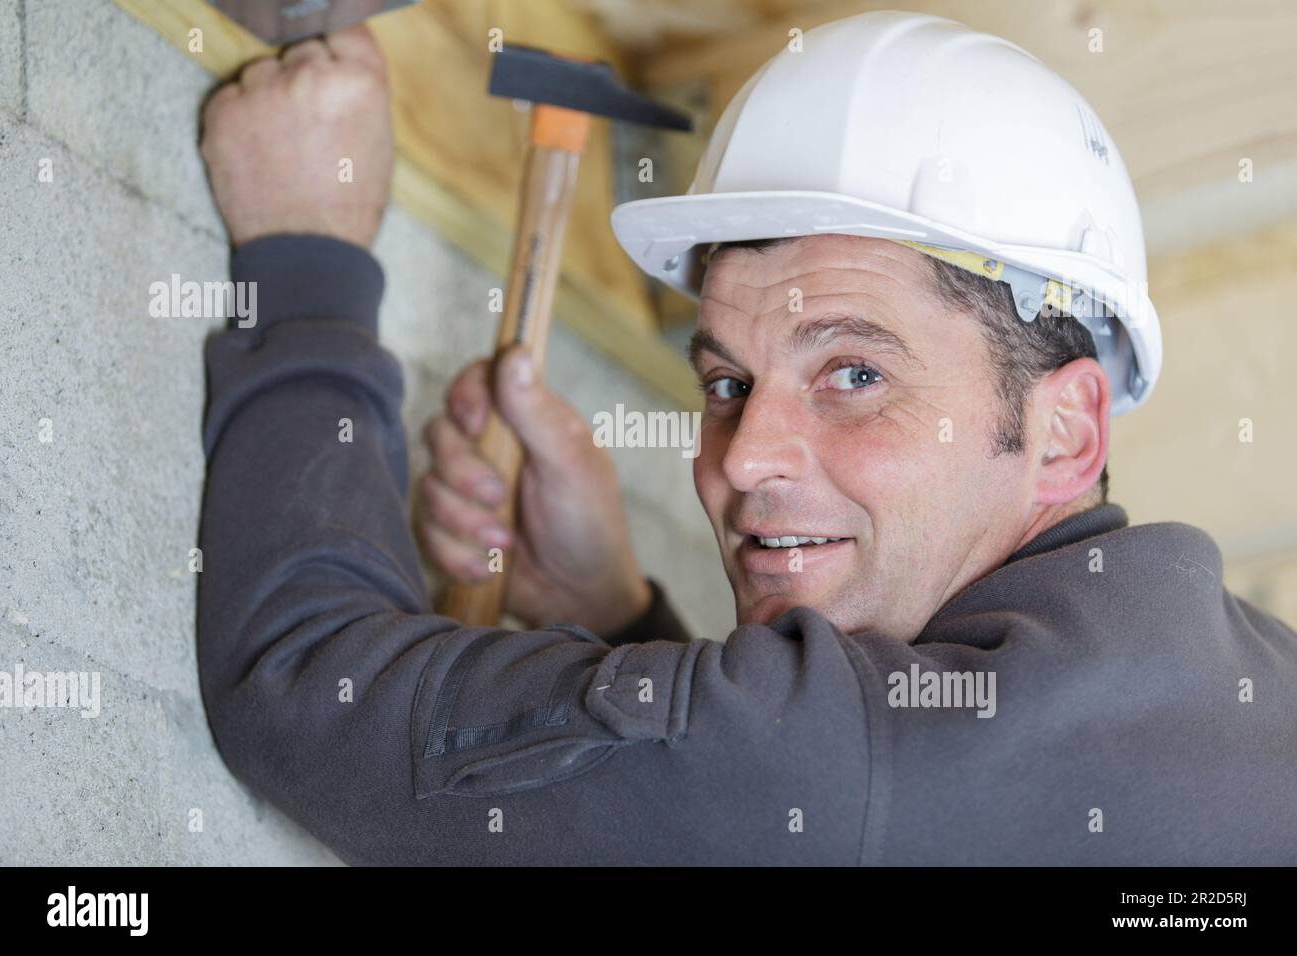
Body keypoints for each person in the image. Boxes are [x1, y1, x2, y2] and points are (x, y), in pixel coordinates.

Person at [195, 13, 1297, 865]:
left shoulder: (867, 765)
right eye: (727, 380)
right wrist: (614, 613)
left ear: (1063, 429)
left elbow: (298, 683)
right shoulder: (1245, 688)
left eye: (854, 373)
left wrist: (306, 265)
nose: (741, 456)